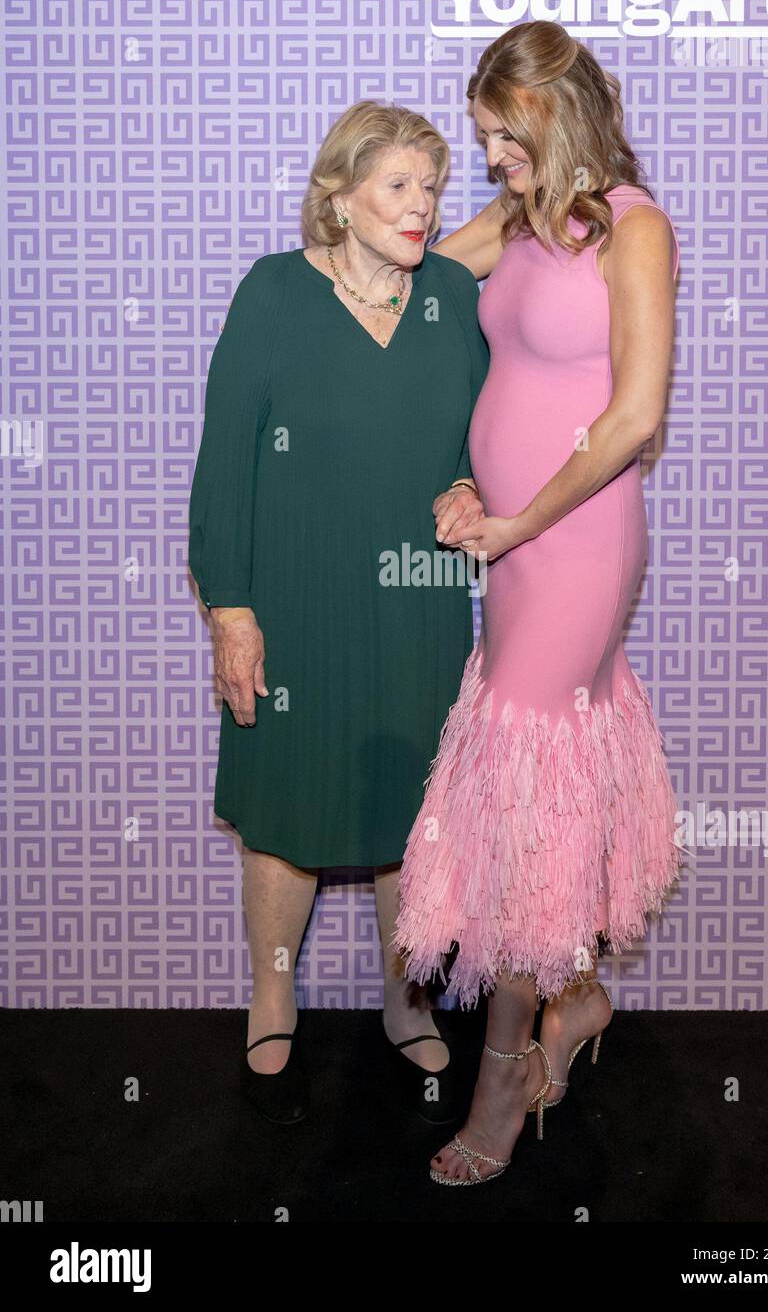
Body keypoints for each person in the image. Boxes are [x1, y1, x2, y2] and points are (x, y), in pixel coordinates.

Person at [393, 21, 686, 1184]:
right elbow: (420, 264)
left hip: (573, 544)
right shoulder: (516, 222)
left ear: (554, 119)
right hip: (507, 544)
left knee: (526, 799)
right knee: (541, 787)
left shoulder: (634, 227)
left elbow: (631, 419)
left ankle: (504, 1072)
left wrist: (518, 516)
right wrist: (334, 237)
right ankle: (573, 1002)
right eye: (479, 141)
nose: (490, 162)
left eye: (500, 142)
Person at [188, 100, 490, 1125]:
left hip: (419, 601)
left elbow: (479, 440)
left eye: (432, 187)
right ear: (339, 195)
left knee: (415, 810)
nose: (422, 206)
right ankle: (274, 988)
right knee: (284, 810)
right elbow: (226, 460)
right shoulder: (273, 292)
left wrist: (466, 487)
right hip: (296, 602)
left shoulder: (453, 296)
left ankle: (404, 995)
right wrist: (232, 608)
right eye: (398, 186)